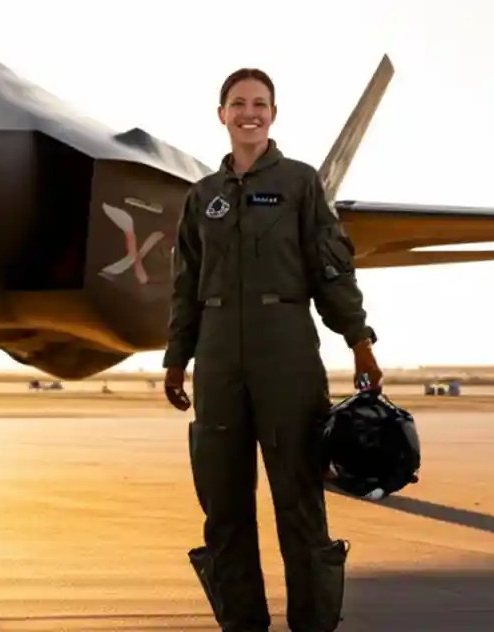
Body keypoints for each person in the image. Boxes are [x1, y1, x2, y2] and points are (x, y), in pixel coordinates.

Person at [161, 67, 383, 631]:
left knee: (299, 501)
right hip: (216, 360)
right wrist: (175, 359)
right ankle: (243, 623)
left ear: (273, 115)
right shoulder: (201, 198)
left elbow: (332, 269)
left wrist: (359, 341)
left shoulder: (300, 185)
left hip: (285, 353)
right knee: (224, 508)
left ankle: (311, 623)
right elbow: (186, 285)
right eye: (238, 104)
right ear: (222, 115)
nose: (249, 113)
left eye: (259, 103)